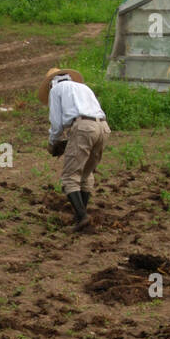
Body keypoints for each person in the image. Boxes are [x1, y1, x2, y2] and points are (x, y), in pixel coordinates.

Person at [41, 67, 110, 231]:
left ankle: (82, 216)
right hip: (103, 127)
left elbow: (57, 123)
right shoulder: (84, 88)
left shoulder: (56, 89)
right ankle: (80, 216)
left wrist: (53, 142)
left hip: (84, 128)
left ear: (51, 82)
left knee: (69, 177)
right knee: (86, 174)